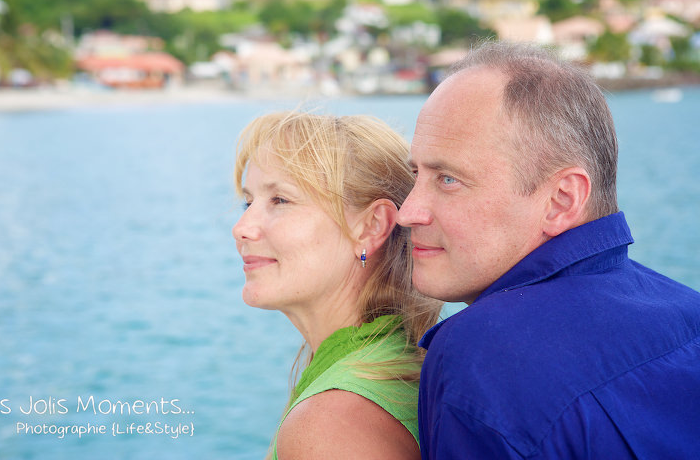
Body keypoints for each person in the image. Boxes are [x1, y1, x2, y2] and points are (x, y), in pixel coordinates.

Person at [398, 41, 700, 459]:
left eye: (448, 179)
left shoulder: (483, 353)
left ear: (561, 199)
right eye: (416, 173)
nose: (407, 212)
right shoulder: (688, 312)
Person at [232, 111, 442, 459]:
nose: (242, 226)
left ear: (372, 226)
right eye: (248, 201)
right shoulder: (385, 357)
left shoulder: (331, 425)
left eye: (280, 200)